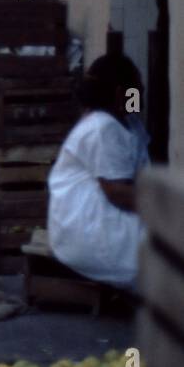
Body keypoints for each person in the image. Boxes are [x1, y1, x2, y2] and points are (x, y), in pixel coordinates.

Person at [47, 54, 149, 291]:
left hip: (90, 224)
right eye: (136, 89)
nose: (140, 94)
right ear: (118, 92)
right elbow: (117, 192)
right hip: (90, 234)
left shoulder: (128, 123)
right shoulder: (103, 128)